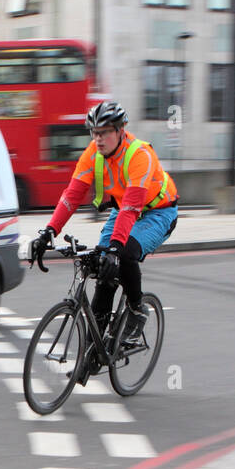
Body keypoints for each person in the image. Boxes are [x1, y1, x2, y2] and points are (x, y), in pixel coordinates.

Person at [27, 101, 178, 341]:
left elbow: (131, 207)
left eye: (104, 132)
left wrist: (115, 249)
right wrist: (48, 232)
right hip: (124, 208)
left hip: (157, 212)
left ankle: (137, 309)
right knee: (103, 266)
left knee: (124, 253)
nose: (98, 139)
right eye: (94, 133)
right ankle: (93, 345)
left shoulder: (140, 155)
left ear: (120, 131)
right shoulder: (92, 154)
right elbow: (72, 196)